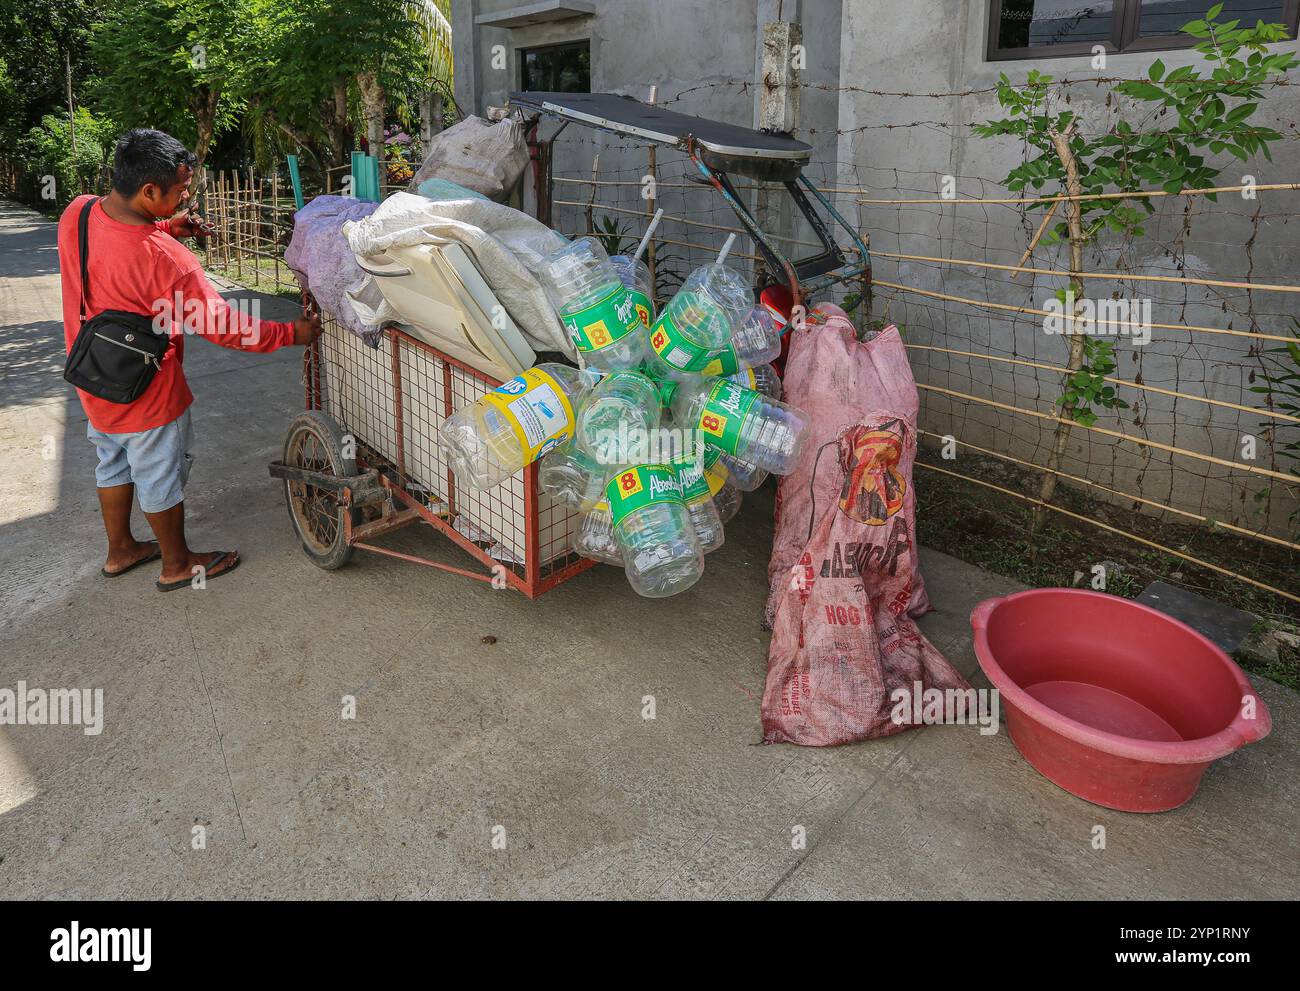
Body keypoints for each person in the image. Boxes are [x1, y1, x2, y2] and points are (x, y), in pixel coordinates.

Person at [58, 128, 321, 591]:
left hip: (93, 372)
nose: (186, 197)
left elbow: (119, 237)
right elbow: (222, 325)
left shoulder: (77, 213)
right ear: (149, 190)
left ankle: (120, 551)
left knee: (112, 460)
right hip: (147, 386)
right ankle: (177, 564)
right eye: (180, 191)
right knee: (159, 469)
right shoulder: (169, 262)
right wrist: (288, 333)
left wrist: (164, 224)